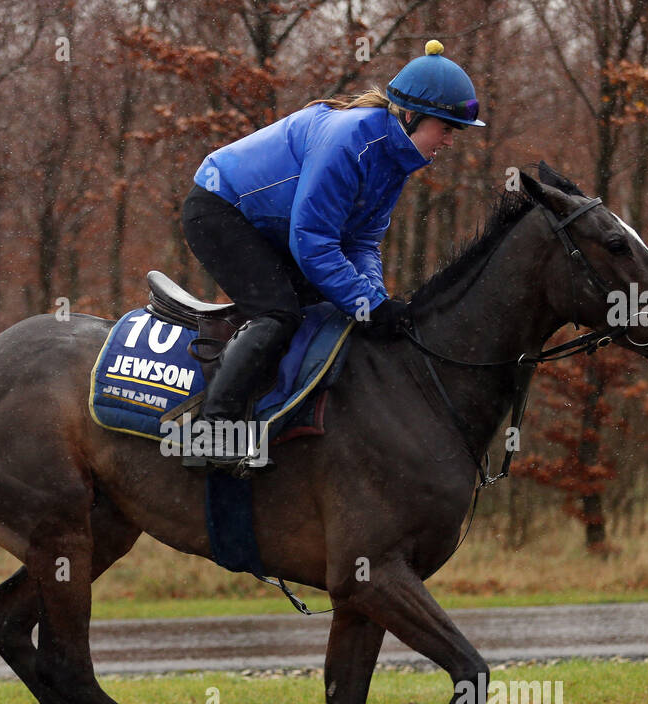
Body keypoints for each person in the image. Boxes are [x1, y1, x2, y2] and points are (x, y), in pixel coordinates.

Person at [182, 39, 485, 468]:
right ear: (412, 116)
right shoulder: (350, 141)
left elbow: (361, 244)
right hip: (218, 208)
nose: (450, 141)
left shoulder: (396, 159)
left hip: (270, 226)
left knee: (331, 309)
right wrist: (372, 305)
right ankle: (211, 433)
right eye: (447, 128)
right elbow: (313, 242)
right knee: (279, 313)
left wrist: (373, 302)